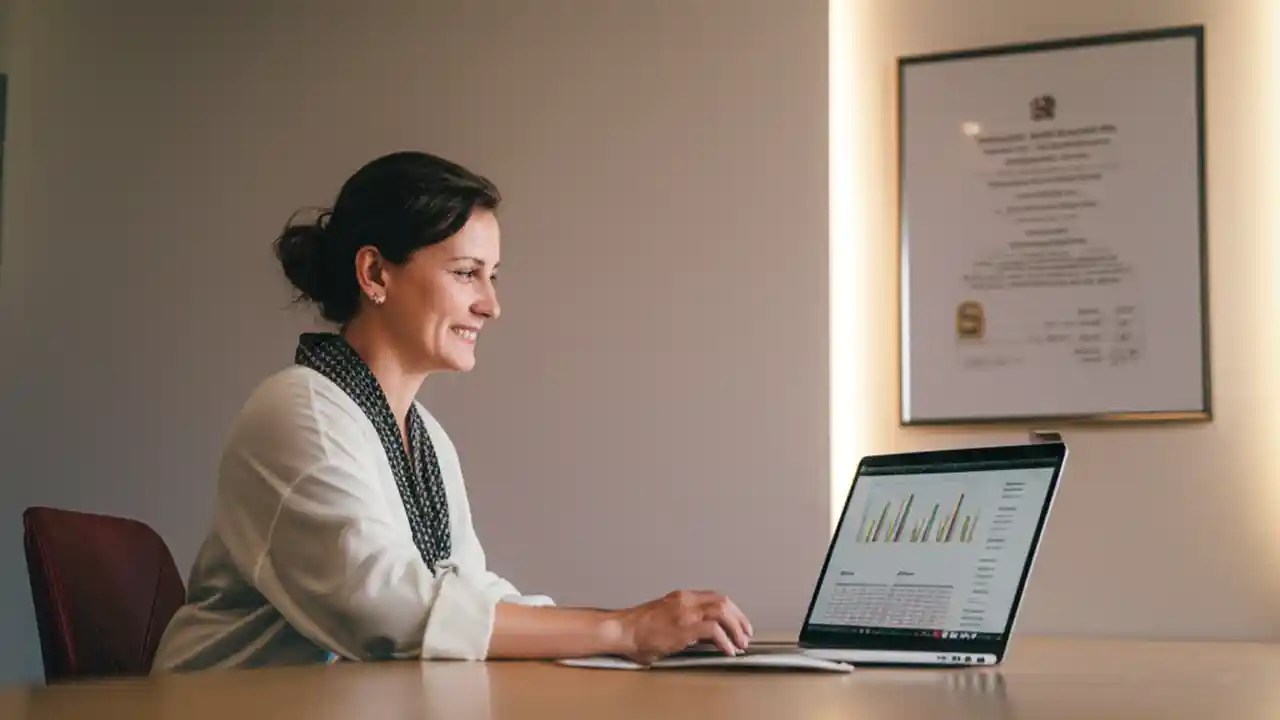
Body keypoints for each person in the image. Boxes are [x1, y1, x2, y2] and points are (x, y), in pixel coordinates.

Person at [153, 150, 753, 671]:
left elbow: (468, 591)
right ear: (374, 272)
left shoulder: (423, 436)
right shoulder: (296, 413)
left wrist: (631, 636)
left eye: (491, 276)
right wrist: (620, 630)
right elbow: (386, 610)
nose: (490, 304)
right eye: (466, 273)